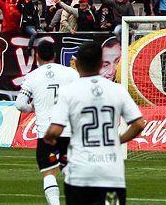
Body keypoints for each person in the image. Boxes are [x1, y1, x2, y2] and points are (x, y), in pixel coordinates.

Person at [44, 42, 146, 205]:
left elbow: (55, 130)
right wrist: (118, 139)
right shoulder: (117, 90)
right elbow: (139, 124)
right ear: (100, 64)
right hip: (111, 173)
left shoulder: (67, 92)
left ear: (76, 64)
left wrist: (49, 138)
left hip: (79, 172)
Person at [15, 38, 81, 205]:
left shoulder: (32, 77)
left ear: (37, 56)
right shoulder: (71, 73)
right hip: (69, 132)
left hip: (46, 134)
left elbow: (20, 104)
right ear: (55, 54)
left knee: (49, 173)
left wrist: (32, 108)